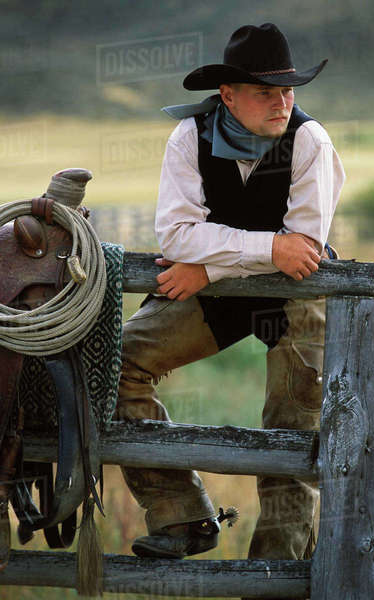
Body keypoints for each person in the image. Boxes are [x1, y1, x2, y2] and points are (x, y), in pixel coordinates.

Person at [116, 22, 345, 561]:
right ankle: (180, 514)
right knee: (116, 364)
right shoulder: (187, 137)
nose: (282, 102)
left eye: (288, 90)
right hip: (217, 293)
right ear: (228, 96)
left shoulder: (311, 141)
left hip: (293, 298)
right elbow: (175, 236)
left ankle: (274, 580)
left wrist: (208, 268)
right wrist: (246, 258)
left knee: (292, 433)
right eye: (266, 92)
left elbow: (303, 253)